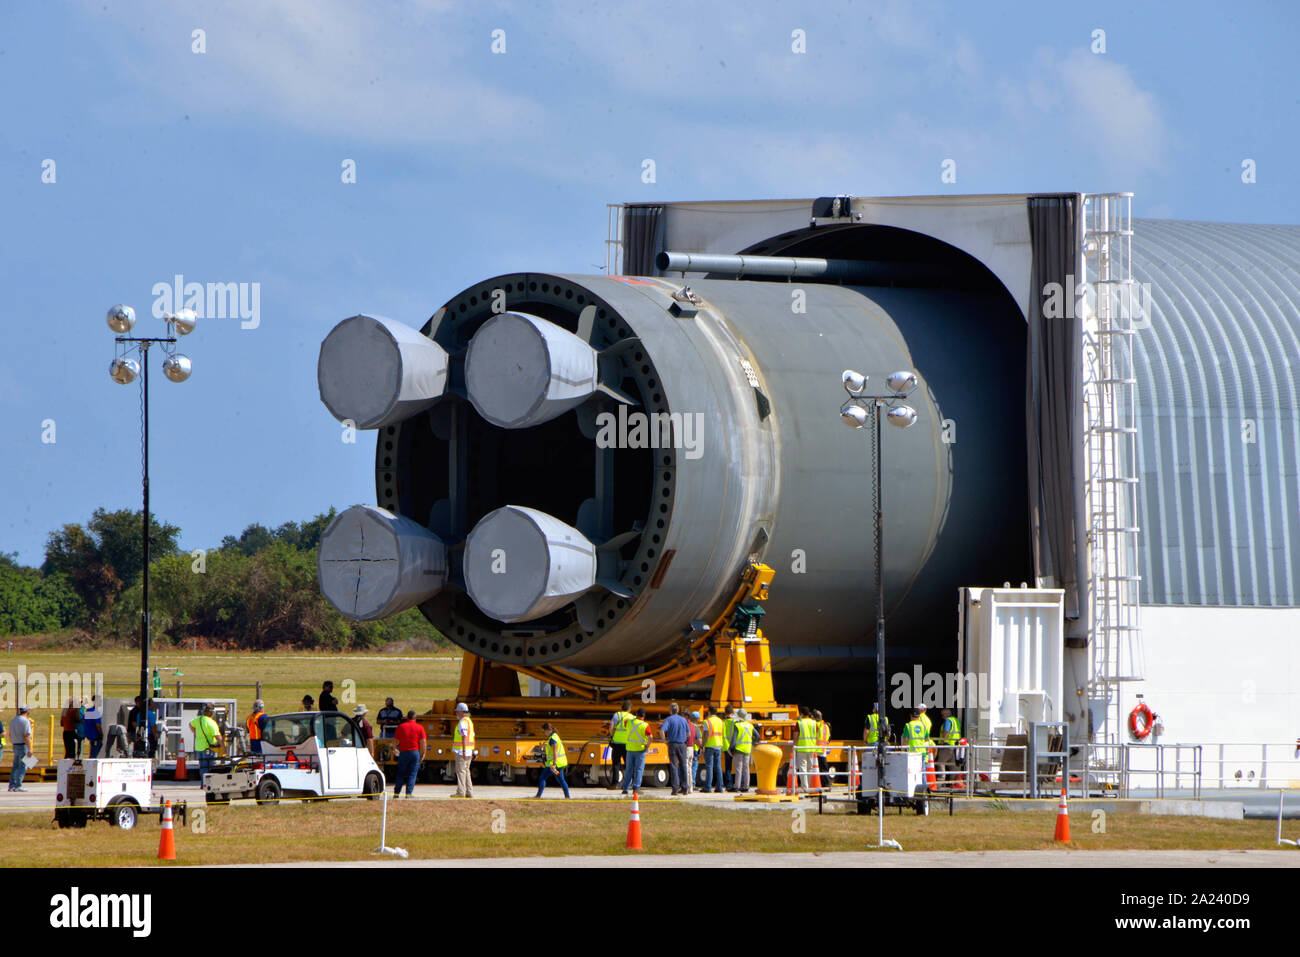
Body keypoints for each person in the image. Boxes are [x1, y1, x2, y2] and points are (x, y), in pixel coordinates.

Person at [659, 702, 691, 795]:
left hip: (672, 744)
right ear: (678, 710)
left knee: (674, 766)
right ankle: (685, 788)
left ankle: (675, 789)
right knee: (683, 766)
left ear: (670, 711)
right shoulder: (683, 720)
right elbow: (688, 734)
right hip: (682, 744)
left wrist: (664, 740)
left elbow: (662, 731)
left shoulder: (668, 720)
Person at [393, 710, 426, 798]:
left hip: (403, 752)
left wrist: (395, 749)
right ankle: (408, 793)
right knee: (412, 773)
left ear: (407, 718)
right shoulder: (420, 727)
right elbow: (423, 742)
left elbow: (395, 740)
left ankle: (396, 793)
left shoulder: (401, 727)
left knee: (400, 773)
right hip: (415, 752)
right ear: (416, 718)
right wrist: (423, 753)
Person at [535, 722, 571, 799]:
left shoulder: (552, 739)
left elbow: (555, 752)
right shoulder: (555, 736)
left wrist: (554, 764)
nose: (544, 733)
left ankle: (538, 796)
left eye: (543, 731)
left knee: (542, 778)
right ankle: (567, 797)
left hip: (553, 765)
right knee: (560, 779)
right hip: (558, 765)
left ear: (547, 730)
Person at [621, 708, 651, 795]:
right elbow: (650, 736)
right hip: (640, 750)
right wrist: (647, 745)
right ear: (644, 715)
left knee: (629, 769)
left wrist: (634, 717)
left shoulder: (629, 722)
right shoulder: (645, 725)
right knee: (638, 769)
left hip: (630, 749)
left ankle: (625, 788)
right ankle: (636, 788)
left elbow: (625, 721)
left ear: (636, 714)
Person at [607, 698, 633, 790]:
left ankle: (614, 784)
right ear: (629, 709)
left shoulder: (616, 715)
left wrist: (612, 737)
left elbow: (610, 729)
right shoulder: (632, 717)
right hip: (627, 744)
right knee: (628, 765)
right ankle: (628, 784)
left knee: (616, 764)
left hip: (616, 743)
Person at [451, 702, 475, 798]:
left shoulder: (462, 722)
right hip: (468, 750)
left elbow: (464, 737)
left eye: (457, 711)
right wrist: (472, 751)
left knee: (461, 771)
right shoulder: (469, 721)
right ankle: (469, 792)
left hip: (462, 751)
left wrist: (464, 751)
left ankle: (461, 792)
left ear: (461, 711)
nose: (456, 713)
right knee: (466, 771)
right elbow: (472, 736)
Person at [190, 704, 222, 779]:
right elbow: (218, 737)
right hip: (209, 748)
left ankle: (203, 783)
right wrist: (224, 749)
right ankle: (209, 784)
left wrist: (195, 732)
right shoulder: (211, 723)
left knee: (202, 767)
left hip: (199, 747)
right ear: (210, 712)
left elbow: (190, 724)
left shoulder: (198, 719)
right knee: (210, 768)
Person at [794, 705, 820, 793]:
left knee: (802, 768)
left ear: (801, 714)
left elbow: (795, 736)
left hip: (802, 748)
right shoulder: (814, 723)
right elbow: (817, 734)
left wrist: (794, 747)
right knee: (810, 768)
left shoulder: (799, 723)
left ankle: (804, 787)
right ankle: (808, 786)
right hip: (811, 748)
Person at [730, 708, 755, 792]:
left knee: (738, 769)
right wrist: (754, 743)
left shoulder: (737, 725)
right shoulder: (750, 725)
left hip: (739, 749)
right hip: (747, 749)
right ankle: (746, 786)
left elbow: (733, 739)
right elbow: (757, 736)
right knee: (746, 768)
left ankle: (736, 786)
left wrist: (731, 749)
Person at [8, 705, 32, 791]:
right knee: (23, 765)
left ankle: (12, 785)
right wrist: (30, 749)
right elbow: (27, 736)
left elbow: (10, 734)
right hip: (23, 745)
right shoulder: (26, 721)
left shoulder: (13, 720)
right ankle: (18, 785)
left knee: (15, 766)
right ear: (27, 711)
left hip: (15, 744)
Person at [702, 707, 726, 793]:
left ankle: (708, 787)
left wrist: (702, 745)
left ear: (709, 712)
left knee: (709, 767)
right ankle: (719, 787)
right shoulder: (721, 721)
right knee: (718, 767)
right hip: (718, 745)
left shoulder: (707, 721)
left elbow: (705, 734)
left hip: (709, 746)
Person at [935, 708, 961, 785]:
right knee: (952, 764)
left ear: (947, 714)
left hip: (947, 745)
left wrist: (943, 740)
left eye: (943, 715)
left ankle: (941, 780)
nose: (942, 717)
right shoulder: (956, 720)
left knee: (941, 763)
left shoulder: (948, 720)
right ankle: (954, 782)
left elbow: (946, 730)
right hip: (956, 745)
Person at [814, 709, 832, 790]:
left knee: (814, 769)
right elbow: (828, 738)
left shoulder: (815, 725)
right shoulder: (825, 726)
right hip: (823, 750)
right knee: (824, 768)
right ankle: (826, 784)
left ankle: (819, 784)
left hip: (815, 750)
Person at [722, 705, 737, 791]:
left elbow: (723, 736)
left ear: (725, 712)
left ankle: (728, 785)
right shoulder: (735, 722)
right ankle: (739, 784)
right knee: (739, 767)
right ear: (732, 712)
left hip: (726, 748)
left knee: (728, 767)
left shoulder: (723, 722)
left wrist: (727, 748)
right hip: (735, 747)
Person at [689, 710, 704, 791]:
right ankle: (693, 784)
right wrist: (702, 748)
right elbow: (698, 740)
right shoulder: (696, 728)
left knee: (688, 768)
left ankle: (688, 784)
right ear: (697, 719)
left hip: (688, 748)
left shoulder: (689, 726)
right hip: (695, 750)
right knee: (694, 768)